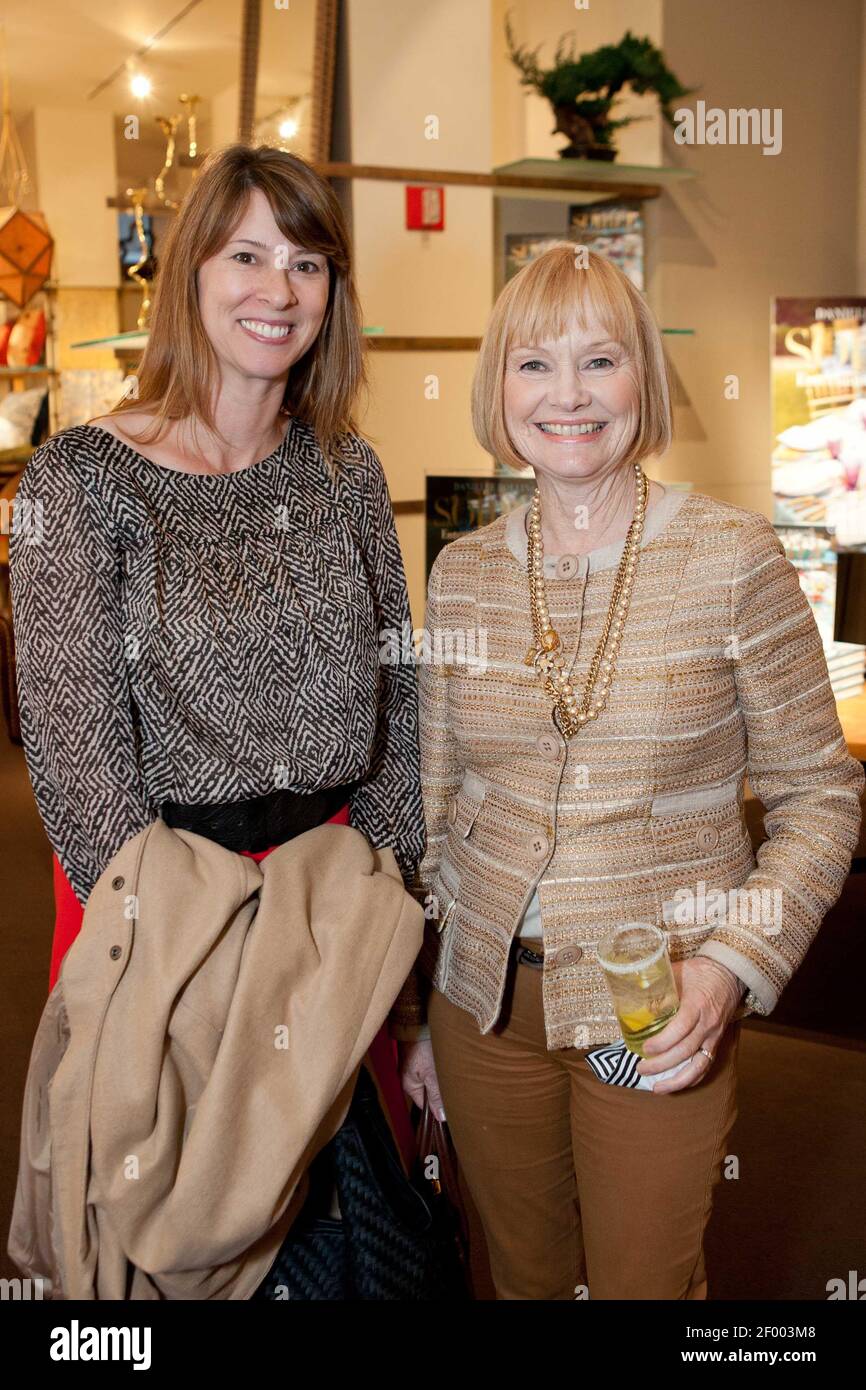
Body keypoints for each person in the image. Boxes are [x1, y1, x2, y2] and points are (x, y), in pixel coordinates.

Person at [400, 244, 865, 1300]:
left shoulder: (731, 559)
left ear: (640, 381)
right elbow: (431, 810)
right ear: (497, 389)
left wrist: (730, 965)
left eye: (598, 361)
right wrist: (417, 1018)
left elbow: (819, 796)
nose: (565, 395)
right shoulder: (464, 571)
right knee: (519, 1281)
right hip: (485, 1013)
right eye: (532, 365)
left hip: (653, 1006)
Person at [9, 143, 429, 1286]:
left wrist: (387, 927)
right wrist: (226, 969)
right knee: (187, 1250)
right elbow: (79, 767)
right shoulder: (80, 482)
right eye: (246, 254)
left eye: (305, 264)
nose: (276, 291)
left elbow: (401, 704)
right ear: (189, 268)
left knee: (359, 1254)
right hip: (165, 930)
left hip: (339, 919)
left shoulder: (344, 472)